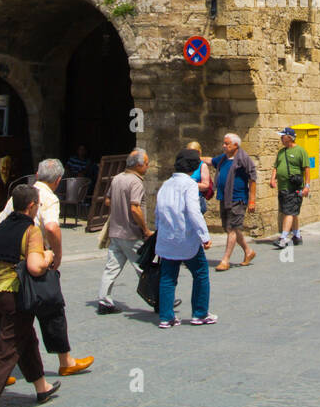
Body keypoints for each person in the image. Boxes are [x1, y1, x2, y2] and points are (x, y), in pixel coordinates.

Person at [0, 159, 93, 376]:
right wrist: (56, 254)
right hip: (36, 257)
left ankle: (1, 366)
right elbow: (51, 226)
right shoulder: (48, 197)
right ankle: (65, 361)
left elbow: (1, 222)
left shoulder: (19, 195)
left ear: (37, 175)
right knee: (52, 307)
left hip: (12, 259)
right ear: (58, 181)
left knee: (11, 311)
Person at [0, 184, 61, 407]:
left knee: (26, 338)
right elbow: (34, 267)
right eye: (38, 205)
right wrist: (48, 256)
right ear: (32, 206)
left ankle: (41, 387)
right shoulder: (31, 230)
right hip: (14, 293)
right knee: (8, 346)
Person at [155, 149, 216, 327]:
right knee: (201, 273)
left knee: (167, 277)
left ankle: (166, 317)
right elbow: (193, 212)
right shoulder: (189, 185)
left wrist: (160, 231)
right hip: (186, 238)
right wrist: (204, 236)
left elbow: (158, 211)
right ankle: (200, 313)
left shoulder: (166, 184)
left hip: (167, 238)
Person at [96, 149, 151, 315]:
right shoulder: (136, 182)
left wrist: (119, 208)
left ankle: (103, 300)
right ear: (139, 165)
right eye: (146, 163)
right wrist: (145, 229)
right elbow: (135, 208)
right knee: (144, 269)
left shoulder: (117, 178)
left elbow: (107, 200)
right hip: (131, 234)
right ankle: (159, 300)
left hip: (115, 232)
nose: (148, 167)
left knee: (111, 269)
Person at [211, 133, 258, 271]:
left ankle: (225, 260)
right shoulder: (224, 158)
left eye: (227, 144)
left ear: (235, 145)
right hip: (225, 198)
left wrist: (252, 201)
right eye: (224, 143)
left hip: (238, 198)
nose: (224, 146)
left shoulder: (243, 158)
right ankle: (248, 251)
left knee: (231, 228)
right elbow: (211, 161)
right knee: (230, 228)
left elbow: (253, 178)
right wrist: (195, 157)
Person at [271, 127, 311, 250]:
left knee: (288, 212)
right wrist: (272, 179)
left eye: (282, 136)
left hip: (294, 187)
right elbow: (276, 167)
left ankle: (283, 238)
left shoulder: (300, 151)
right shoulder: (281, 152)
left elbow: (307, 169)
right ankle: (297, 236)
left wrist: (307, 186)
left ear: (289, 137)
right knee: (290, 211)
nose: (281, 138)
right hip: (283, 187)